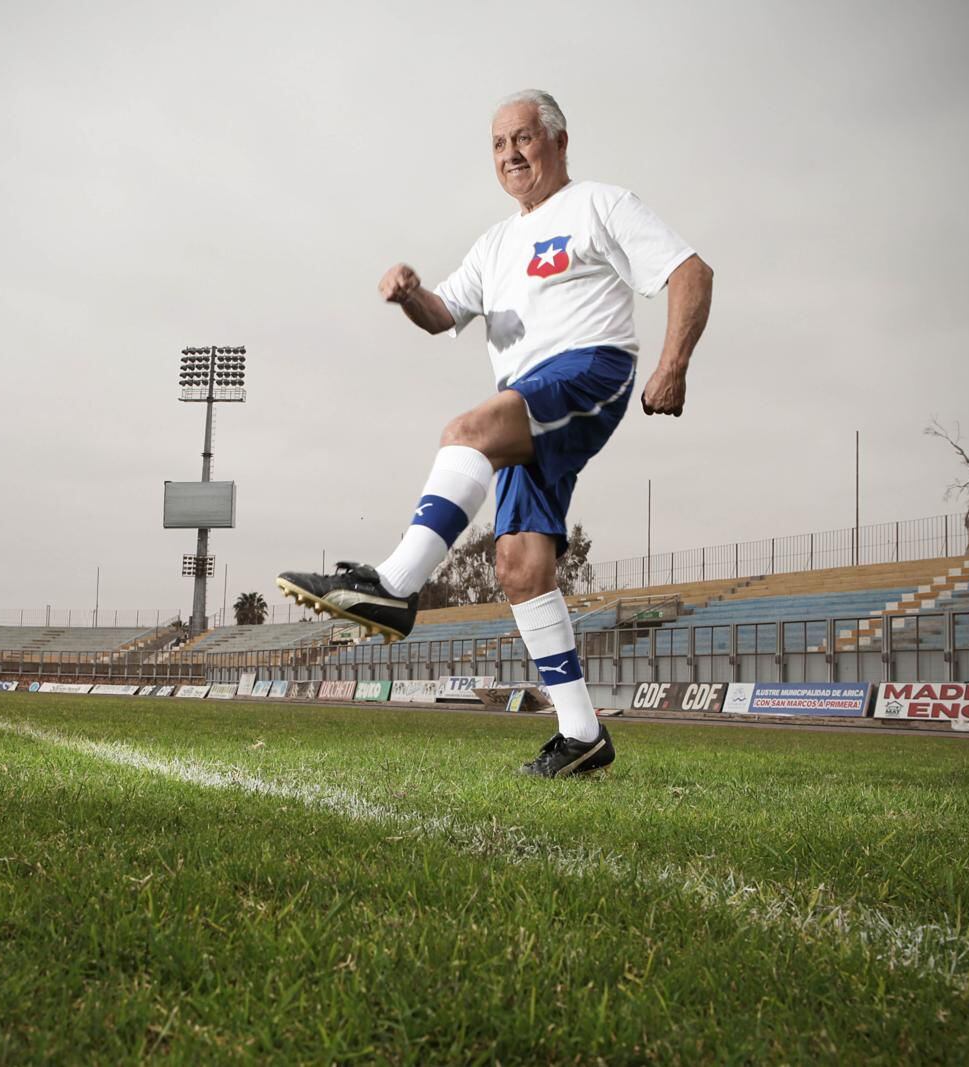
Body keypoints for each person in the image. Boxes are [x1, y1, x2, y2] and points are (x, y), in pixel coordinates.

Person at [277, 90, 713, 777]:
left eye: (524, 138)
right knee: (518, 563)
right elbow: (442, 312)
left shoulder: (601, 204)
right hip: (529, 404)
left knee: (468, 429)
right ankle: (582, 734)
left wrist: (673, 364)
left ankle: (395, 585)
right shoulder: (495, 242)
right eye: (499, 144)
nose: (511, 153)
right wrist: (409, 294)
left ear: (559, 141)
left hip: (587, 370)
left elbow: (690, 271)